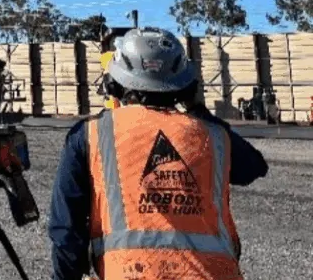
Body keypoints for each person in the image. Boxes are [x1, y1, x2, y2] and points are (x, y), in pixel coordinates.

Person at [49, 27, 268, 280]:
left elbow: (66, 228)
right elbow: (253, 168)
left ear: (114, 83)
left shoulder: (91, 135)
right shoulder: (215, 136)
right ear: (187, 85)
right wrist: (197, 108)